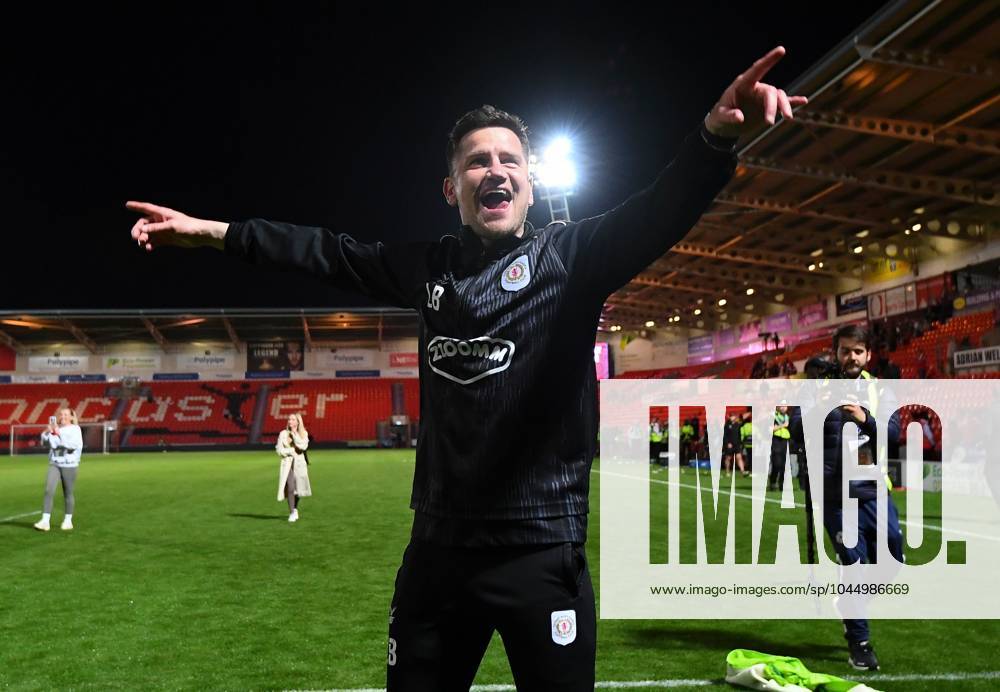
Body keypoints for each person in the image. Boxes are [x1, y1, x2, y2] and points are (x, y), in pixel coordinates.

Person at [127, 46, 806, 690]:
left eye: (509, 158)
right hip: (440, 550)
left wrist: (715, 134)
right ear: (451, 188)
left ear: (532, 184)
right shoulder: (428, 270)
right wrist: (209, 231)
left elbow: (658, 212)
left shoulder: (572, 260)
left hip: (540, 549)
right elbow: (324, 252)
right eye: (476, 162)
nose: (495, 170)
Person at [810, 324, 904, 672]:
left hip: (874, 492)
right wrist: (817, 408)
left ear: (868, 355)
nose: (851, 356)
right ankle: (859, 641)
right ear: (836, 352)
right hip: (836, 496)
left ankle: (849, 604)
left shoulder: (879, 389)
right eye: (845, 350)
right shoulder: (817, 388)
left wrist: (865, 419)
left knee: (893, 559)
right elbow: (793, 428)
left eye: (858, 351)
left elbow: (894, 432)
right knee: (854, 566)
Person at [33, 408, 83, 532]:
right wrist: (47, 431)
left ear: (72, 417)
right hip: (55, 463)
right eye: (61, 414)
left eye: (66, 414)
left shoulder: (75, 429)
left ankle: (68, 520)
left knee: (68, 493)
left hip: (69, 464)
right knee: (48, 490)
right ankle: (45, 521)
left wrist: (57, 434)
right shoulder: (57, 428)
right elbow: (46, 444)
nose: (63, 416)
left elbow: (72, 445)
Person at [276, 413, 311, 522]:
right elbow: (279, 450)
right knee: (290, 487)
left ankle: (295, 508)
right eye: (289, 419)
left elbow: (303, 446)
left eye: (293, 419)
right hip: (287, 463)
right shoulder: (283, 434)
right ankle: (292, 512)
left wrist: (294, 435)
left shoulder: (303, 433)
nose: (290, 421)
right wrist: (291, 450)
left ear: (297, 422)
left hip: (299, 464)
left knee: (298, 489)